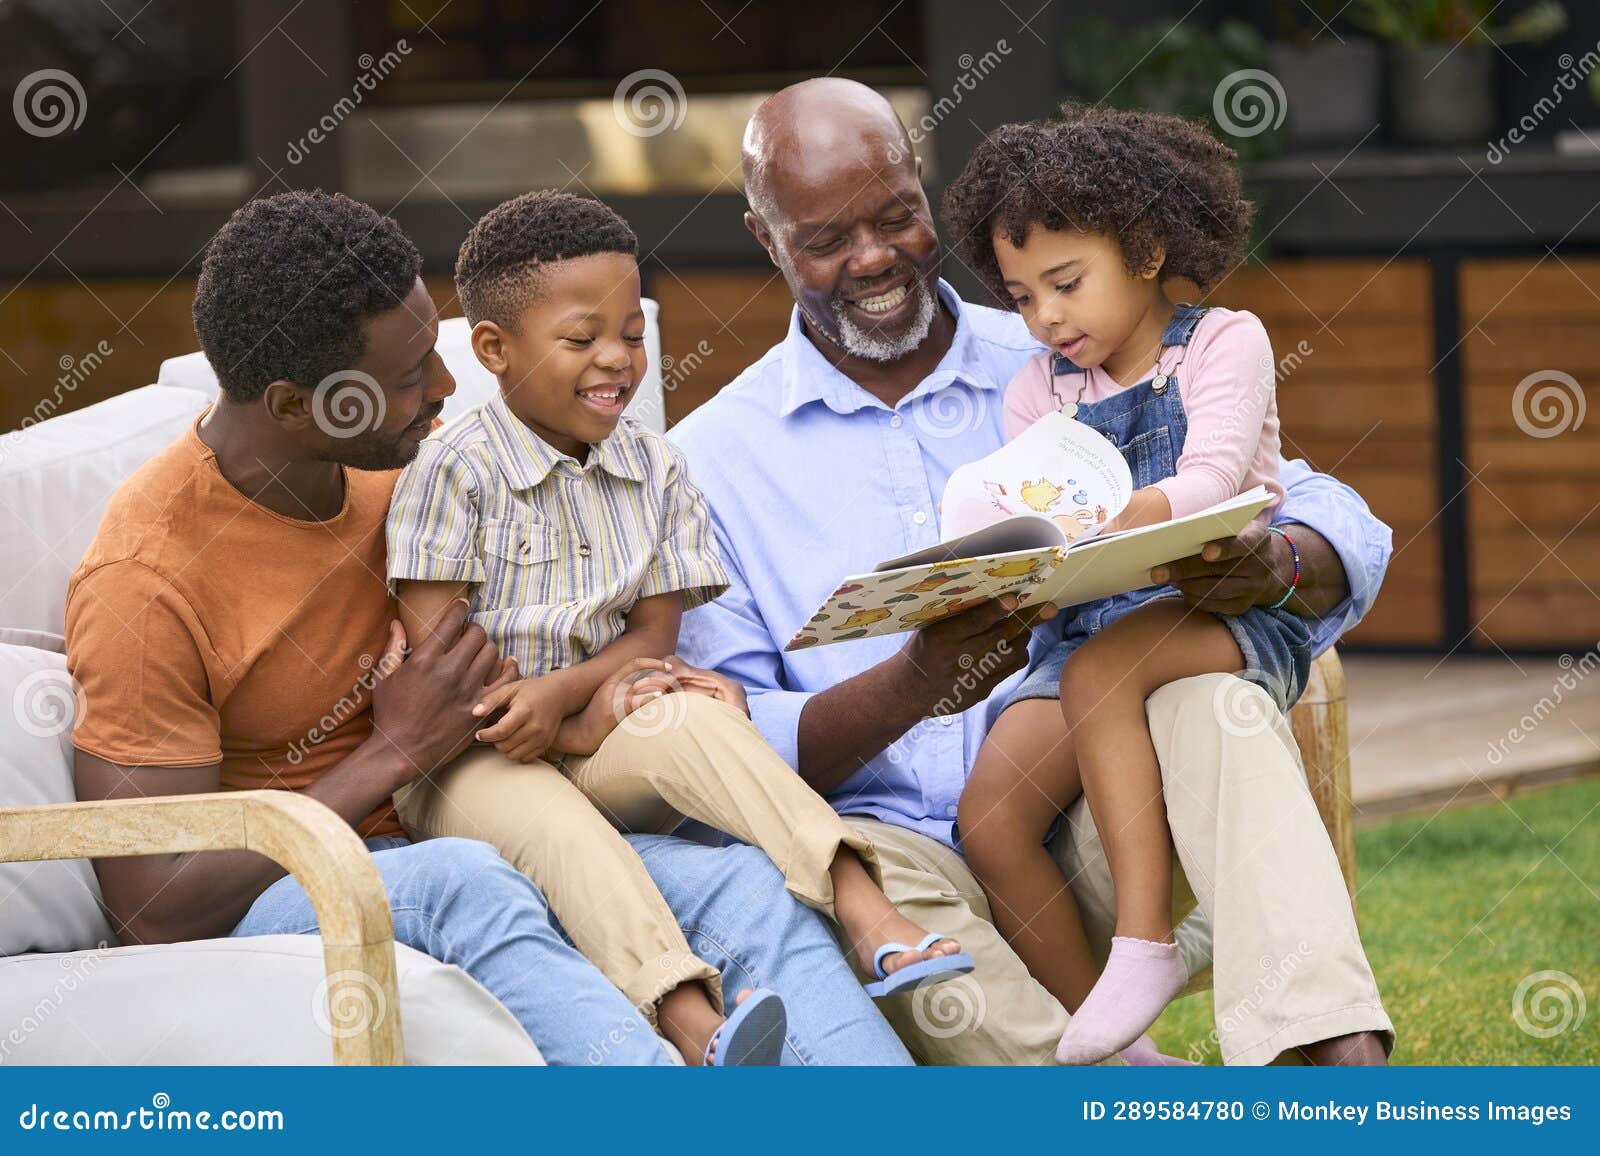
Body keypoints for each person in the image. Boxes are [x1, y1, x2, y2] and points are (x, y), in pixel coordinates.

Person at [63, 189, 913, 1066]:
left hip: (497, 803)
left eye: (432, 354)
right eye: (405, 381)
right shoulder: (146, 581)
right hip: (314, 876)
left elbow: (576, 615)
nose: (440, 391)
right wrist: (393, 752)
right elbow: (154, 904)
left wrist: (632, 683)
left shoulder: (416, 471)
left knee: (740, 888)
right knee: (466, 885)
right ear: (290, 406)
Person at [671, 77, 1395, 1066]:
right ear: (765, 238)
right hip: (893, 859)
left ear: (923, 190)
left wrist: (1272, 559)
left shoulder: (1066, 347)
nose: (874, 256)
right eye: (827, 239)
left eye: (895, 217)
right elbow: (727, 743)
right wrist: (915, 679)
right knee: (902, 935)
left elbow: (1320, 510)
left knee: (1209, 710)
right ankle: (1135, 1086)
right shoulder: (706, 460)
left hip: (1099, 808)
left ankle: (1328, 1047)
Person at [384, 189, 971, 1066]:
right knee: (558, 832)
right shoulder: (454, 472)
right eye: (582, 340)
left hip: (589, 729)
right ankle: (694, 1022)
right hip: (468, 755)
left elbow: (655, 629)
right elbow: (442, 668)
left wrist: (582, 708)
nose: (616, 359)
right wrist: (557, 709)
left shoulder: (653, 465)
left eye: (631, 333)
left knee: (697, 711)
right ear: (495, 351)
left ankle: (863, 903)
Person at [942, 104, 1314, 1064]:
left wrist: (1108, 523)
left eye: (1066, 283)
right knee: (990, 817)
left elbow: (1212, 483)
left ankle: (1145, 940)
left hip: (1220, 614)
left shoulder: (1223, 342)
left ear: (1146, 248)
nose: (1047, 317)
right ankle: (1117, 1050)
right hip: (1086, 632)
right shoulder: (1039, 391)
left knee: (1103, 673)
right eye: (1022, 297)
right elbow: (1030, 513)